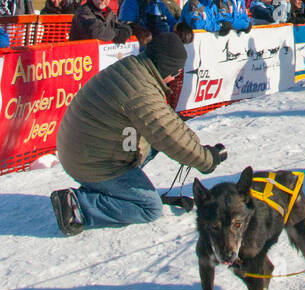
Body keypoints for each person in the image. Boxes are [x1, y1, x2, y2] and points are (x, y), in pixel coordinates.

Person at [49, 32, 228, 236]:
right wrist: (207, 160)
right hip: (90, 162)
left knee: (157, 142)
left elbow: (167, 127)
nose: (176, 77)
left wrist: (196, 147)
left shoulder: (136, 68)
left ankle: (112, 192)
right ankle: (80, 206)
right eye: (177, 72)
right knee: (149, 208)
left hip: (84, 148)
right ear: (166, 68)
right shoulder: (141, 90)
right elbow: (169, 134)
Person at [68, 0, 134, 43]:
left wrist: (126, 30)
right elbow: (95, 31)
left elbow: (118, 25)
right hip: (80, 52)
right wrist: (117, 34)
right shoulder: (84, 12)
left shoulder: (109, 13)